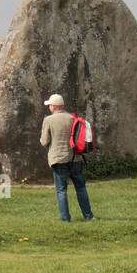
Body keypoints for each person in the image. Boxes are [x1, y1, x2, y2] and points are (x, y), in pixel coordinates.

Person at [39, 93, 95, 222]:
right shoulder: (72, 118)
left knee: (61, 190)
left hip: (58, 159)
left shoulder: (49, 120)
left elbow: (44, 142)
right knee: (81, 188)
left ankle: (65, 218)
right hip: (75, 158)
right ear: (62, 106)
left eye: (50, 105)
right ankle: (88, 216)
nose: (49, 108)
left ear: (53, 106)